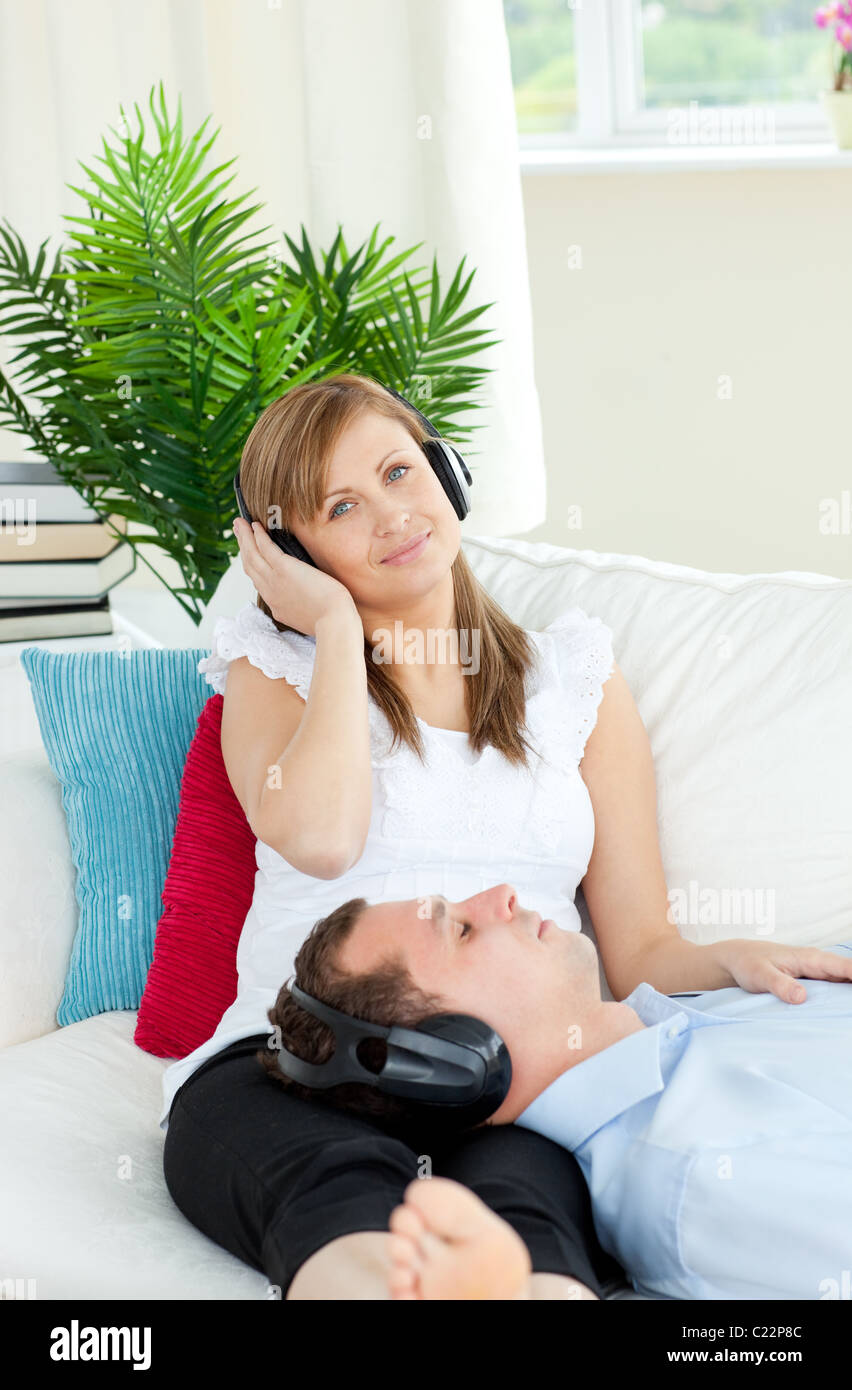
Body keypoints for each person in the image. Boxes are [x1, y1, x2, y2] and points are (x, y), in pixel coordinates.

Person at [161, 372, 814, 1301]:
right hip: (300, 1057)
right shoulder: (277, 668)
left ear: (447, 471)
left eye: (399, 471)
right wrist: (338, 630)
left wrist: (732, 962)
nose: (391, 515)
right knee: (326, 1191)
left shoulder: (576, 678)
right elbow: (320, 840)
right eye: (342, 506)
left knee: (529, 1212)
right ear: (290, 551)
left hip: (504, 1068)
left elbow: (636, 951)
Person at [259, 886, 852, 1301]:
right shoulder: (700, 1175)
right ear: (451, 1062)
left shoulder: (730, 987)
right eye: (462, 930)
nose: (503, 895)